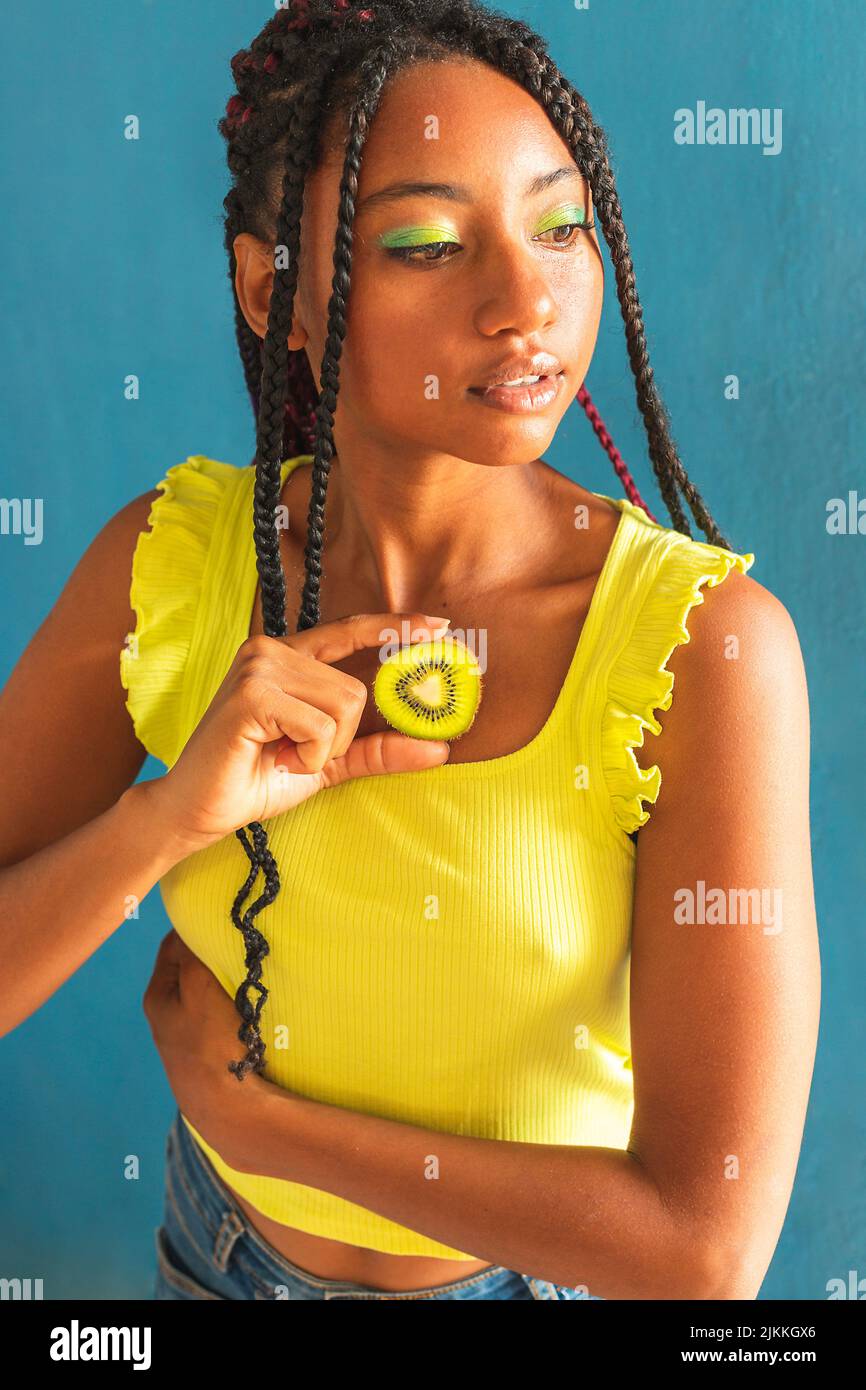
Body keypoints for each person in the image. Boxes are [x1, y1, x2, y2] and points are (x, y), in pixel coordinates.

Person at [0, 0, 819, 1301]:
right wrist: (163, 821)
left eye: (561, 225)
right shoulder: (169, 563)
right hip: (214, 1261)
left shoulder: (703, 653)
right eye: (430, 245)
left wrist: (275, 1129)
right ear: (276, 292)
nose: (526, 299)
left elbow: (702, 1251)